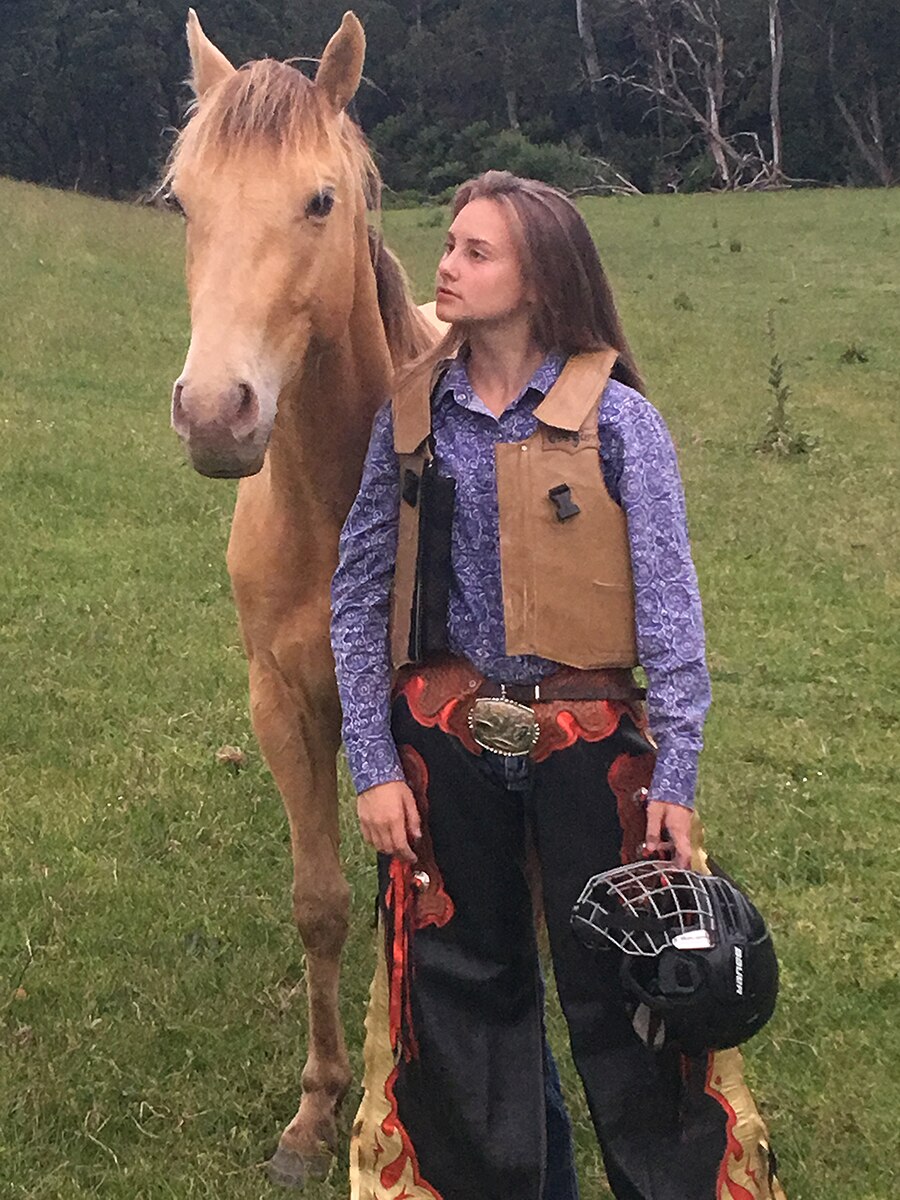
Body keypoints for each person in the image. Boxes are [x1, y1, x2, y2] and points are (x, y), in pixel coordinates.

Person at [332, 171, 785, 1200]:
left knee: (639, 993)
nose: (445, 267)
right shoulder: (411, 417)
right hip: (442, 748)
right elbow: (355, 599)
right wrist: (372, 763)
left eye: (475, 251)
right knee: (461, 1001)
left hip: (591, 746)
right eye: (449, 245)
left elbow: (671, 616)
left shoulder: (621, 423)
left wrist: (677, 775)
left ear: (539, 280)